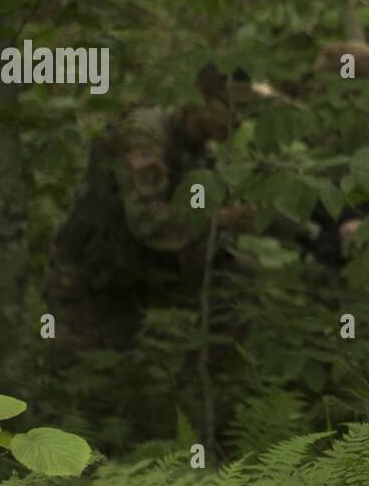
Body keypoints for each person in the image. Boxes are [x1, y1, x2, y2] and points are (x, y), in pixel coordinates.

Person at [42, 63, 266, 362]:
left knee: (237, 277)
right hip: (92, 274)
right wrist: (220, 218)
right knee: (80, 370)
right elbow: (148, 220)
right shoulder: (146, 134)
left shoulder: (199, 154)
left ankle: (201, 392)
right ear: (200, 98)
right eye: (231, 108)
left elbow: (194, 219)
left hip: (138, 270)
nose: (236, 122)